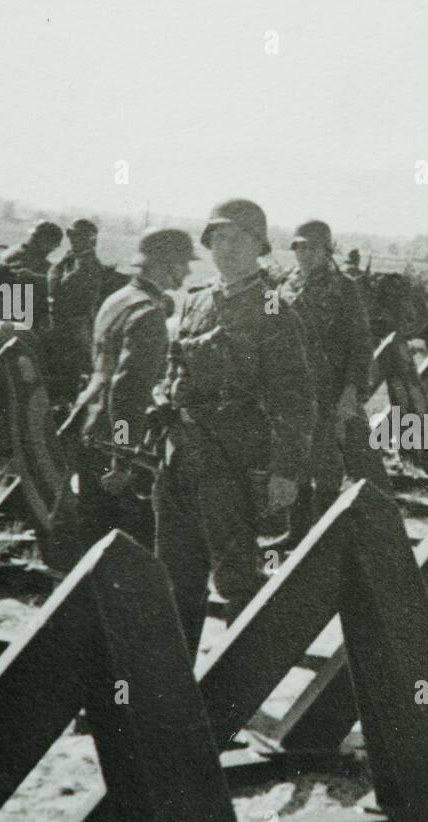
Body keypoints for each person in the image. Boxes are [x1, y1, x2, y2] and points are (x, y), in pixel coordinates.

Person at [154, 198, 316, 636]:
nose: (224, 247)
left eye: (236, 238)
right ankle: (175, 683)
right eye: (217, 238)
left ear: (258, 245)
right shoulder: (194, 301)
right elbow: (173, 370)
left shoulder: (271, 308)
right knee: (174, 571)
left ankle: (236, 684)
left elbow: (294, 399)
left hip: (232, 458)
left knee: (236, 575)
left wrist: (286, 470)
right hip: (180, 453)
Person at [64, 228, 194, 550]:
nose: (188, 271)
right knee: (124, 541)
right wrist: (121, 459)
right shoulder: (149, 314)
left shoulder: (119, 298)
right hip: (115, 438)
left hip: (91, 420)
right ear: (165, 264)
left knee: (92, 528)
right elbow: (128, 392)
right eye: (183, 263)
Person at [280, 220, 379, 536]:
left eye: (312, 247)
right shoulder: (283, 285)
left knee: (326, 463)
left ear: (327, 250)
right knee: (295, 459)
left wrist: (351, 392)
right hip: (291, 389)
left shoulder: (345, 288)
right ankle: (296, 533)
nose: (305, 254)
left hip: (329, 390)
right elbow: (268, 328)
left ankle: (322, 537)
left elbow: (361, 343)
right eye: (300, 247)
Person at [47, 218, 106, 394]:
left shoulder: (87, 264)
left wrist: (59, 266)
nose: (72, 239)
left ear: (90, 239)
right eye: (70, 234)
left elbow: (58, 286)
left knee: (70, 371)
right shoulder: (72, 258)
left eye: (77, 235)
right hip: (64, 321)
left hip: (75, 325)